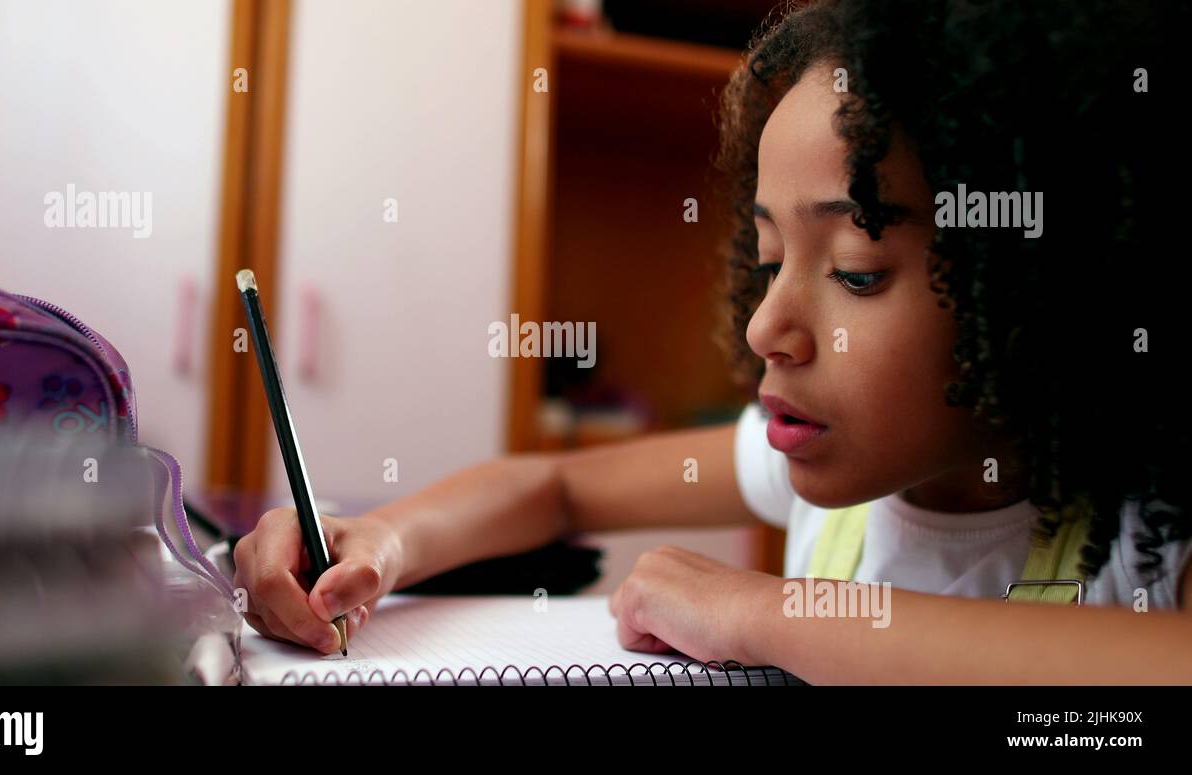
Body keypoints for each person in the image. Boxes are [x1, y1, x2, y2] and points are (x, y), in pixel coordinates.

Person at [232, 0, 1191, 683]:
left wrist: (769, 613)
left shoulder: (1147, 543)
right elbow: (559, 487)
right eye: (770, 259)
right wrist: (384, 540)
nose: (766, 325)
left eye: (856, 269)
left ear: (1042, 285)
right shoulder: (827, 477)